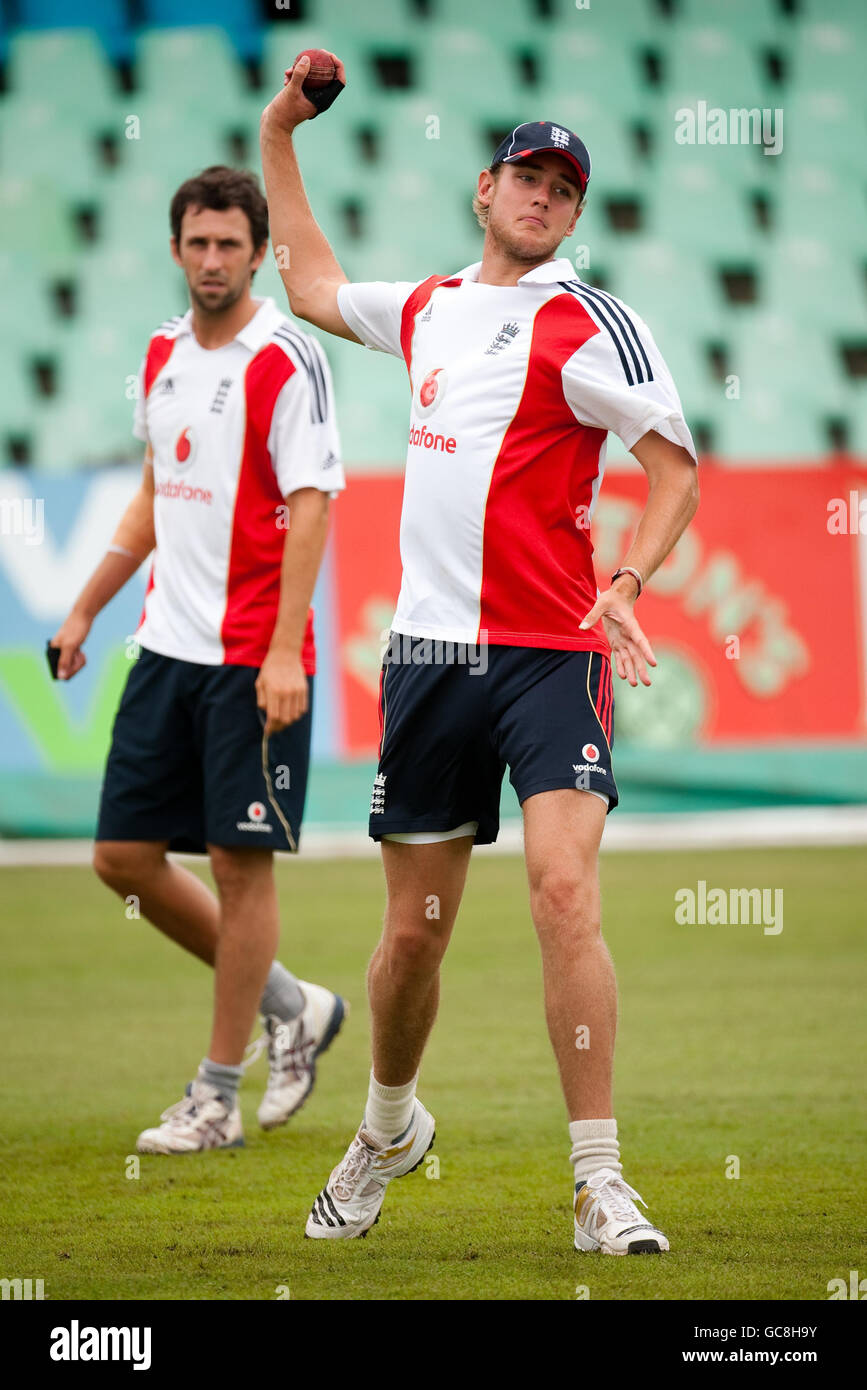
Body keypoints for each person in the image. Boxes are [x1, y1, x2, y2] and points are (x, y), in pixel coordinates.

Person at [260, 58, 699, 1252]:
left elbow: (674, 469)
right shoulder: (429, 309)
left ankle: (599, 1181)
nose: (544, 195)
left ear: (576, 212)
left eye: (565, 185)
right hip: (432, 656)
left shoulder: (592, 320)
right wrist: (277, 132)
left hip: (555, 652)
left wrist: (626, 581)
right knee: (414, 936)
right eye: (527, 174)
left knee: (565, 891)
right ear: (483, 187)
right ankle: (387, 1128)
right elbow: (305, 279)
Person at [52, 165, 348, 1155]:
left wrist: (281, 653)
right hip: (164, 649)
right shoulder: (161, 353)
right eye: (198, 242)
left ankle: (215, 1096)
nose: (214, 259)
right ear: (176, 250)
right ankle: (292, 1003)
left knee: (237, 868)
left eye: (231, 243)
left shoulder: (286, 357)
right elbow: (151, 493)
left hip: (252, 659)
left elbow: (312, 505)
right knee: (121, 858)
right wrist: (87, 605)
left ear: (258, 252)